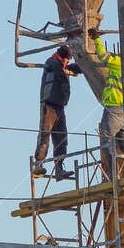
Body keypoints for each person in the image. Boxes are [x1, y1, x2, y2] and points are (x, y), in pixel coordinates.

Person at [32, 44, 79, 180]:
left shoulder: (61, 64)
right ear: (62, 57)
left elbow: (69, 69)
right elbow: (61, 75)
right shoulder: (52, 62)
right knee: (45, 135)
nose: (67, 62)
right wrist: (71, 71)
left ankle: (59, 167)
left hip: (59, 106)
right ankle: (38, 165)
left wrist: (81, 68)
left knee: (61, 137)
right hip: (49, 105)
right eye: (67, 60)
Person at [91, 31, 124, 179]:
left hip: (114, 106)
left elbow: (102, 56)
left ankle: (113, 174)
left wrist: (96, 39)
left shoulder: (118, 62)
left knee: (106, 138)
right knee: (123, 140)